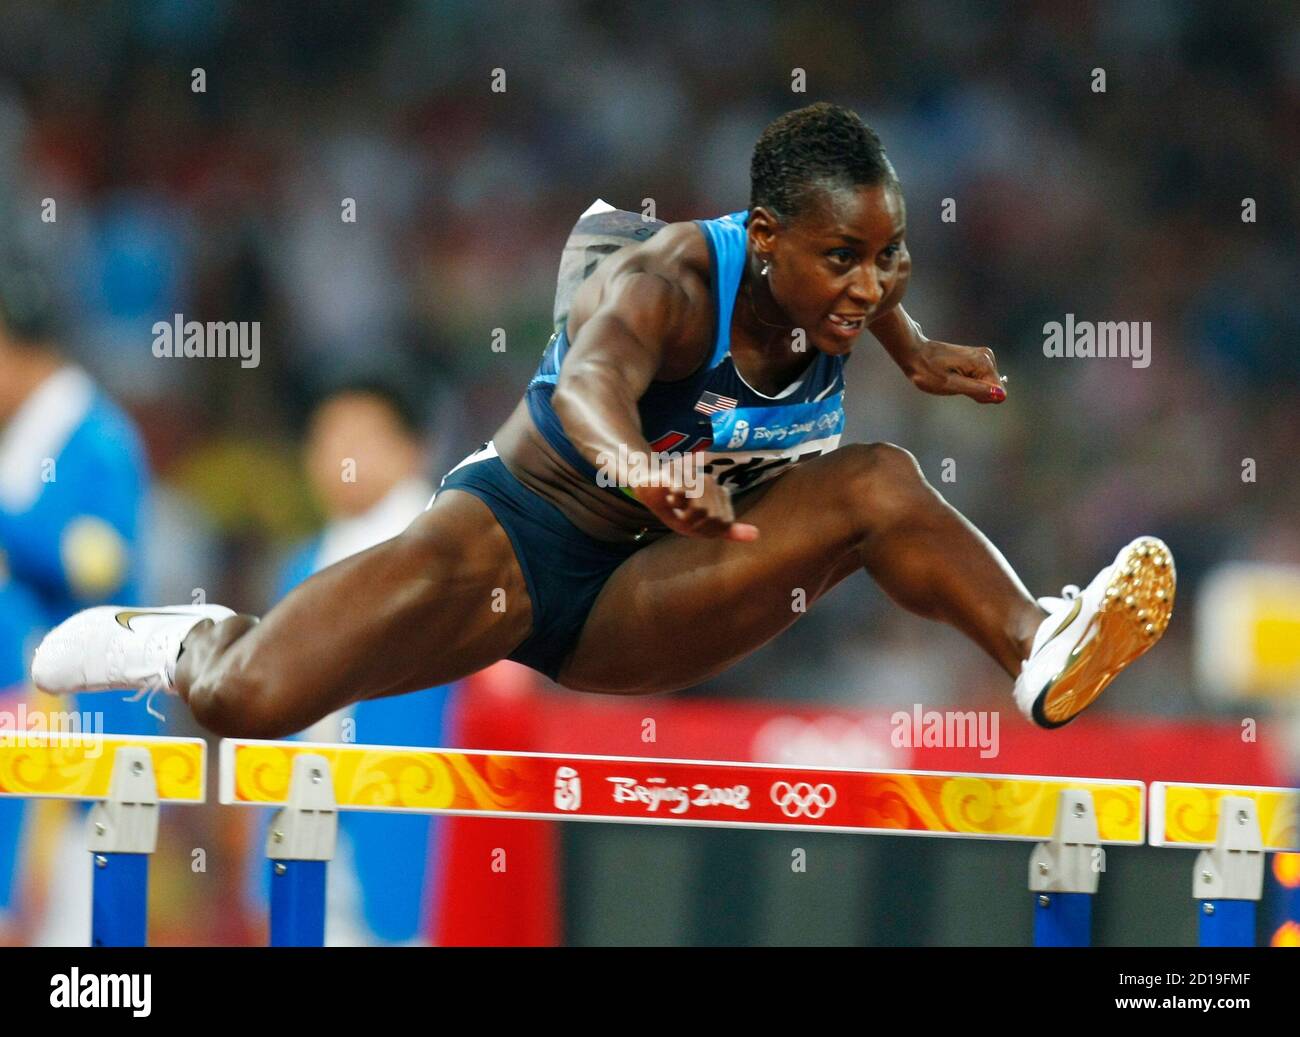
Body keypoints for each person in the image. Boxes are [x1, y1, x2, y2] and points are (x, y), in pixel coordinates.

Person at [32, 103, 1175, 739]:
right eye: (845, 261)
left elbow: (867, 274)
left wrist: (910, 348)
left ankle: (1037, 642)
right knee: (251, 701)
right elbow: (586, 387)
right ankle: (180, 637)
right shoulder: (671, 279)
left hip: (647, 595)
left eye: (890, 259)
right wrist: (637, 462)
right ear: (764, 236)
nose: (870, 285)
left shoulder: (847, 279)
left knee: (878, 480)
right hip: (516, 546)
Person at [244, 380, 452, 945]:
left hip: (413, 838)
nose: (341, 456)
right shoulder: (300, 565)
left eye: (360, 437)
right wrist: (258, 876)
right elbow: (274, 721)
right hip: (311, 831)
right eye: (326, 438)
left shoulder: (452, 554)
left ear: (412, 449)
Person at [0, 251, 152, 945]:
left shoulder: (98, 439)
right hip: (21, 721)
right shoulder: (24, 436)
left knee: (73, 938)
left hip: (75, 729)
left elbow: (97, 562)